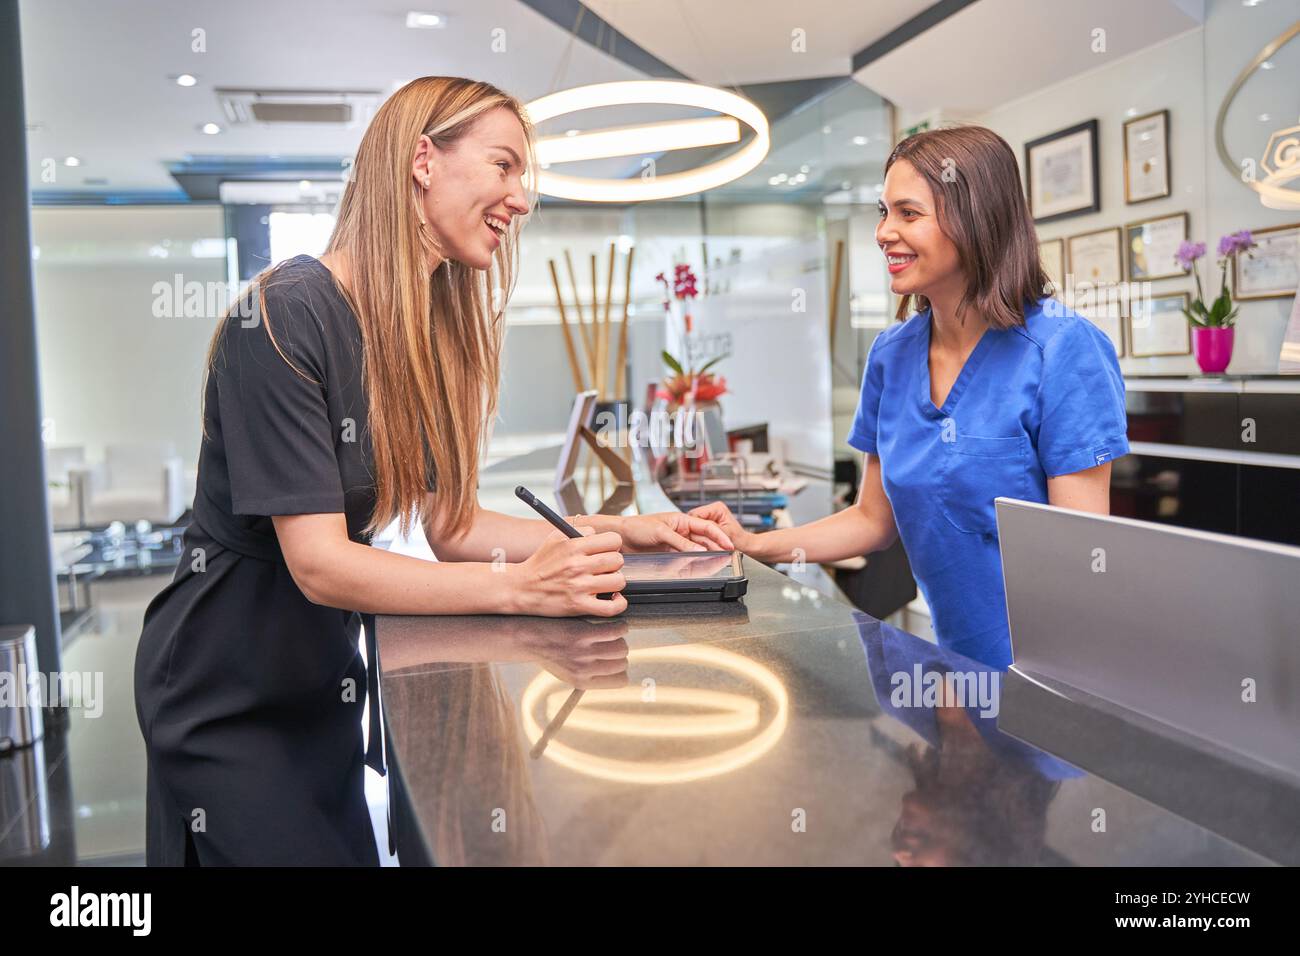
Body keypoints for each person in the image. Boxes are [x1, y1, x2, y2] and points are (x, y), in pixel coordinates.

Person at [134, 76, 731, 866]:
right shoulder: (286, 315)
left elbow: (448, 526)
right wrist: (520, 589)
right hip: (224, 690)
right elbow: (318, 562)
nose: (521, 199)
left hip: (321, 676)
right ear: (423, 160)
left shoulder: (419, 326)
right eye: (504, 165)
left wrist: (623, 528)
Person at [692, 125, 1128, 670]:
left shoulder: (1064, 350)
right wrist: (751, 545)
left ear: (975, 219)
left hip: (1053, 669)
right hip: (952, 658)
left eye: (908, 213)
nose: (882, 231)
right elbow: (872, 521)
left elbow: (1081, 562)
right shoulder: (891, 355)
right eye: (883, 211)